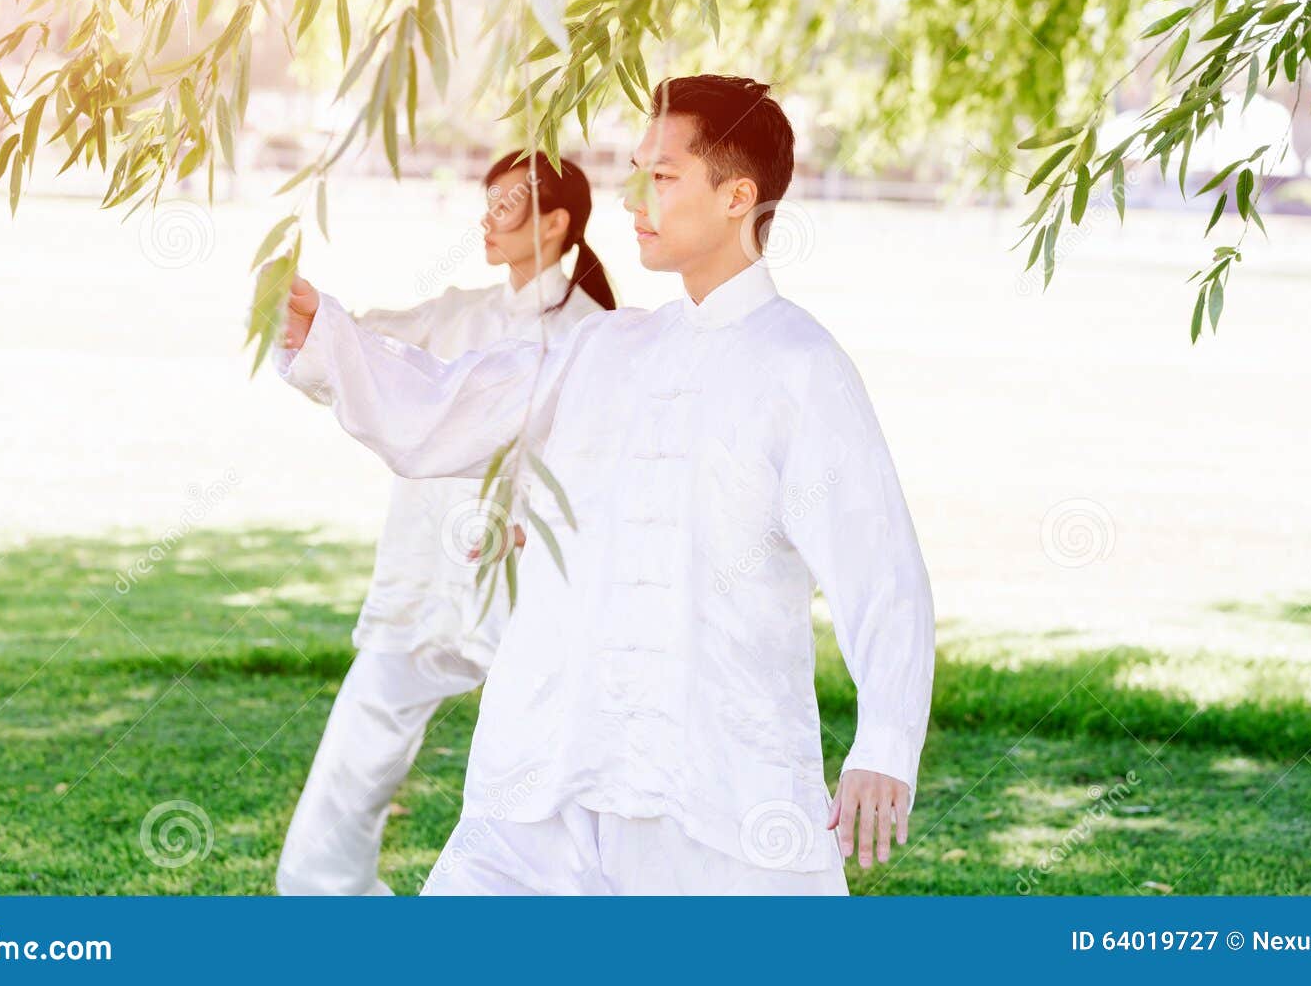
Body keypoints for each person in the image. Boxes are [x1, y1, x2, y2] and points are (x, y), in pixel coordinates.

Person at [278, 75, 935, 895]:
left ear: (738, 196)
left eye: (662, 176)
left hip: (716, 792)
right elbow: (446, 406)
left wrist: (885, 741)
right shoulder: (606, 347)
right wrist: (324, 336)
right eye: (636, 172)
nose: (633, 198)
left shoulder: (800, 367)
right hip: (546, 777)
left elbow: (880, 566)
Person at [275, 151, 615, 895]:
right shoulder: (458, 312)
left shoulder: (596, 337)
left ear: (554, 224)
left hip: (530, 584)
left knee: (549, 774)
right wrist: (303, 320)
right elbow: (367, 351)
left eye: (505, 206)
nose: (486, 221)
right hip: (426, 580)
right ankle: (324, 902)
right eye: (486, 203)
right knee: (357, 749)